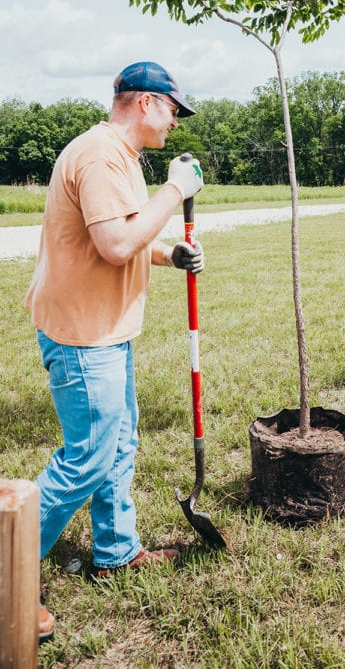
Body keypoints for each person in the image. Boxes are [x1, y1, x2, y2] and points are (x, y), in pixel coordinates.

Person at [26, 61, 205, 641]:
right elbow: (114, 244)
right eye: (174, 110)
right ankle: (9, 571)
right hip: (82, 336)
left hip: (106, 330)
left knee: (119, 443)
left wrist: (168, 254)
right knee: (86, 458)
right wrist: (176, 190)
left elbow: (129, 236)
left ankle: (116, 552)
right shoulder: (100, 155)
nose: (175, 123)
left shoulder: (121, 158)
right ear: (147, 103)